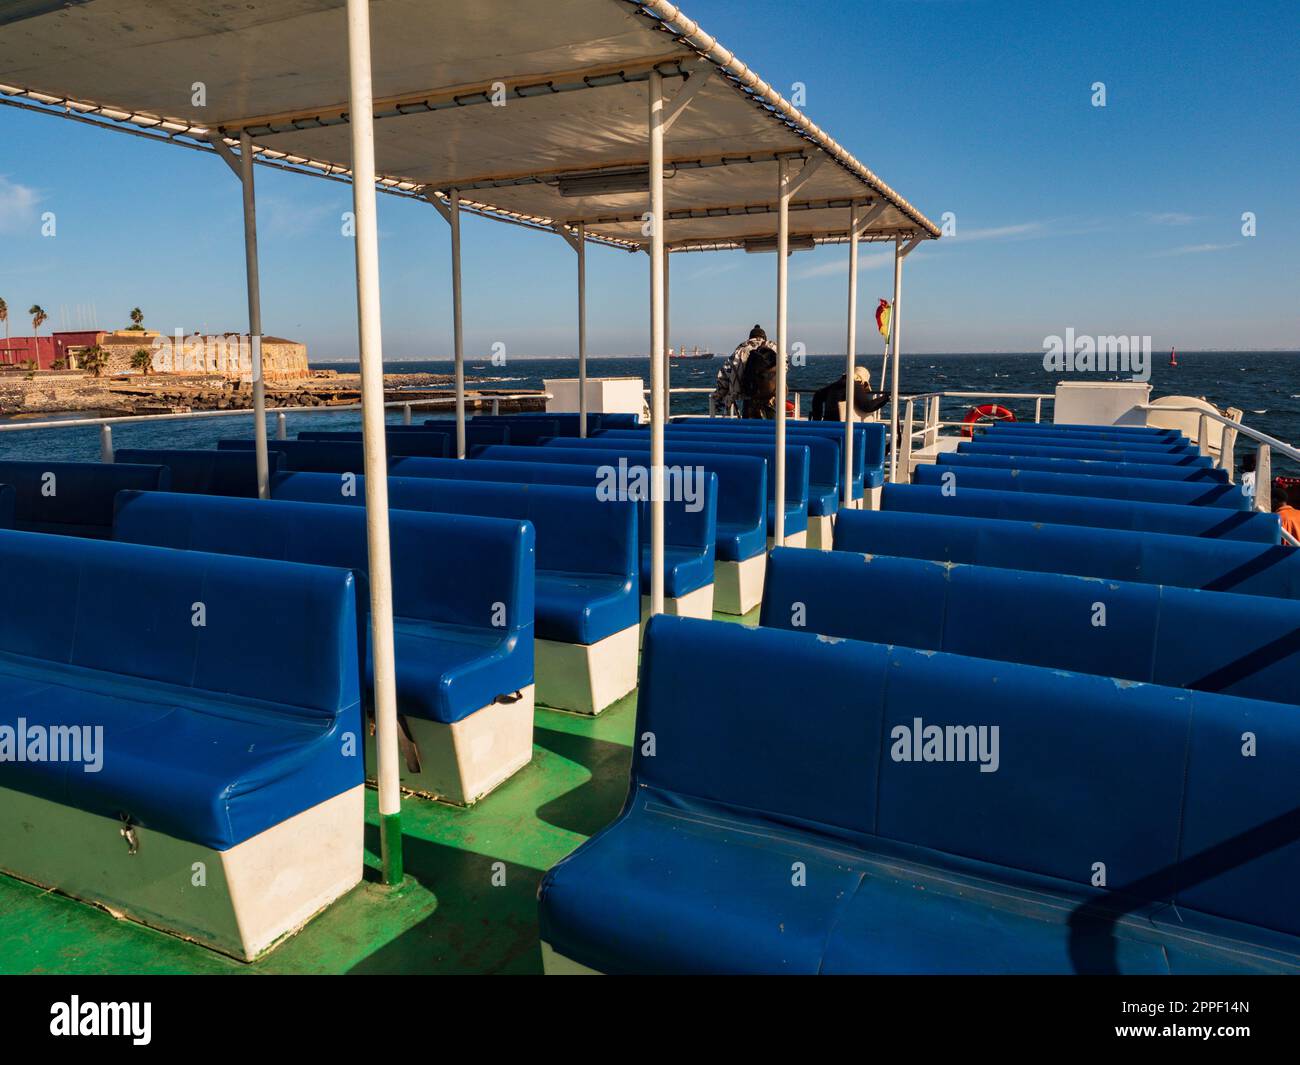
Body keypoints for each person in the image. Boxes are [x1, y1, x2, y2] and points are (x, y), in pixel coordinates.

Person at [711, 325, 786, 418]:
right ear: (764, 337)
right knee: (773, 428)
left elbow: (725, 372)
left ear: (750, 337)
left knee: (749, 428)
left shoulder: (741, 350)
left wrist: (720, 394)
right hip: (771, 396)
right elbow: (785, 366)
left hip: (749, 397)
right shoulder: (774, 347)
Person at [810, 365, 890, 421]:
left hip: (829, 424)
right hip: (843, 426)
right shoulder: (854, 385)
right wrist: (885, 398)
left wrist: (817, 418)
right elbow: (867, 407)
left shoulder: (835, 385)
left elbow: (818, 395)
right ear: (862, 380)